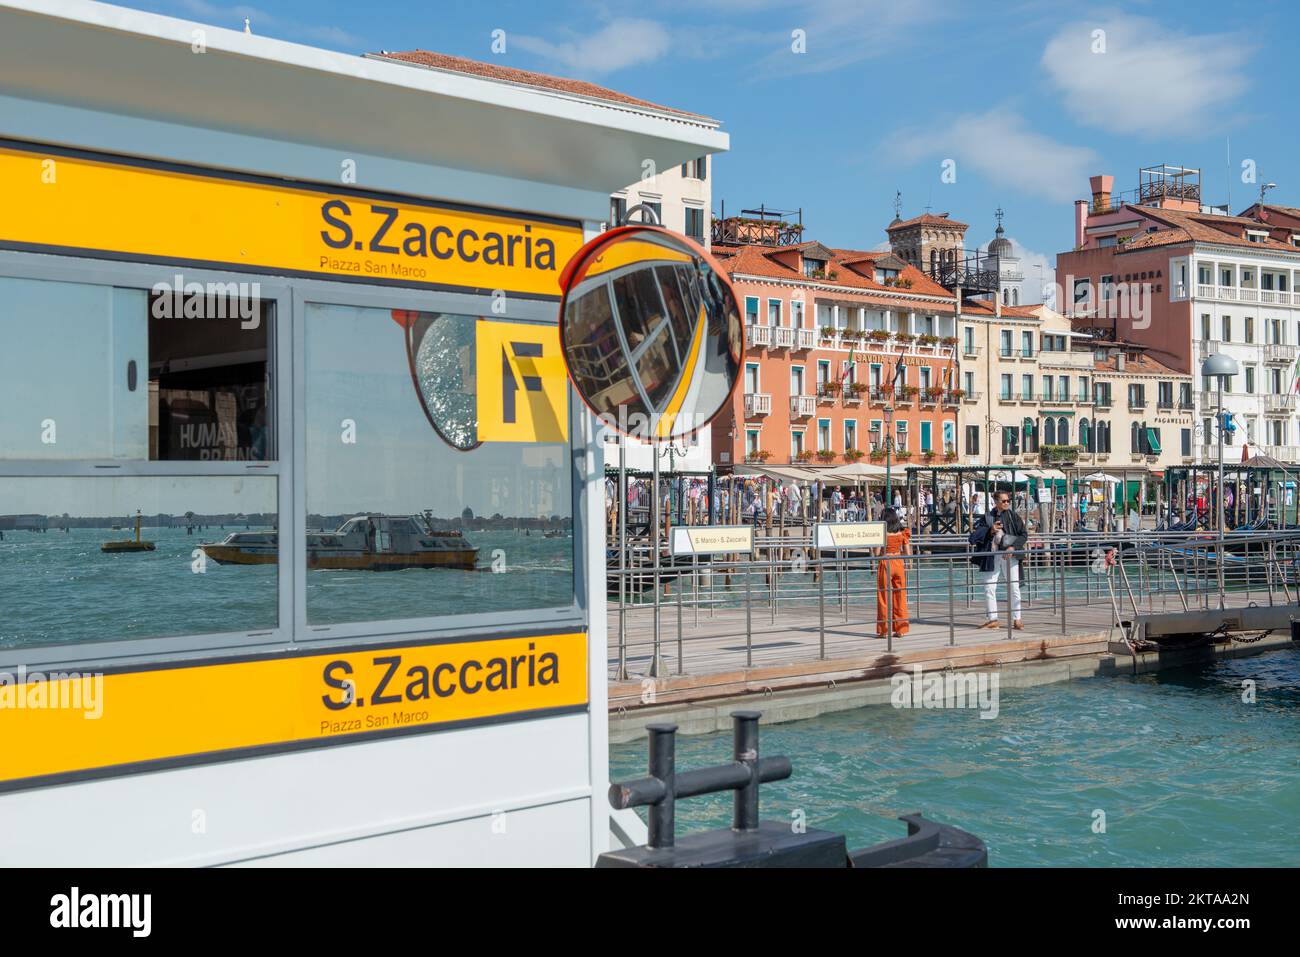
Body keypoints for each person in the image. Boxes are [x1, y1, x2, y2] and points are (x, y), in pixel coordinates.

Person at [968, 489, 1027, 630]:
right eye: (1004, 501)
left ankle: (1017, 619)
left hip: (1010, 555)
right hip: (992, 555)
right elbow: (974, 536)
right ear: (996, 502)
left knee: (1014, 587)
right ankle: (993, 619)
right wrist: (990, 530)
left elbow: (1024, 535)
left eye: (1008, 501)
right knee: (989, 587)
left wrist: (1013, 547)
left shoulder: (1014, 516)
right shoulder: (987, 517)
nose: (1007, 503)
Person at [875, 507, 911, 638]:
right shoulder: (902, 532)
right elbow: (907, 550)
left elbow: (877, 553)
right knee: (900, 595)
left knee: (883, 596)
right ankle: (900, 629)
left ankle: (883, 630)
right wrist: (910, 564)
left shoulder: (883, 533)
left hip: (886, 561)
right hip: (899, 561)